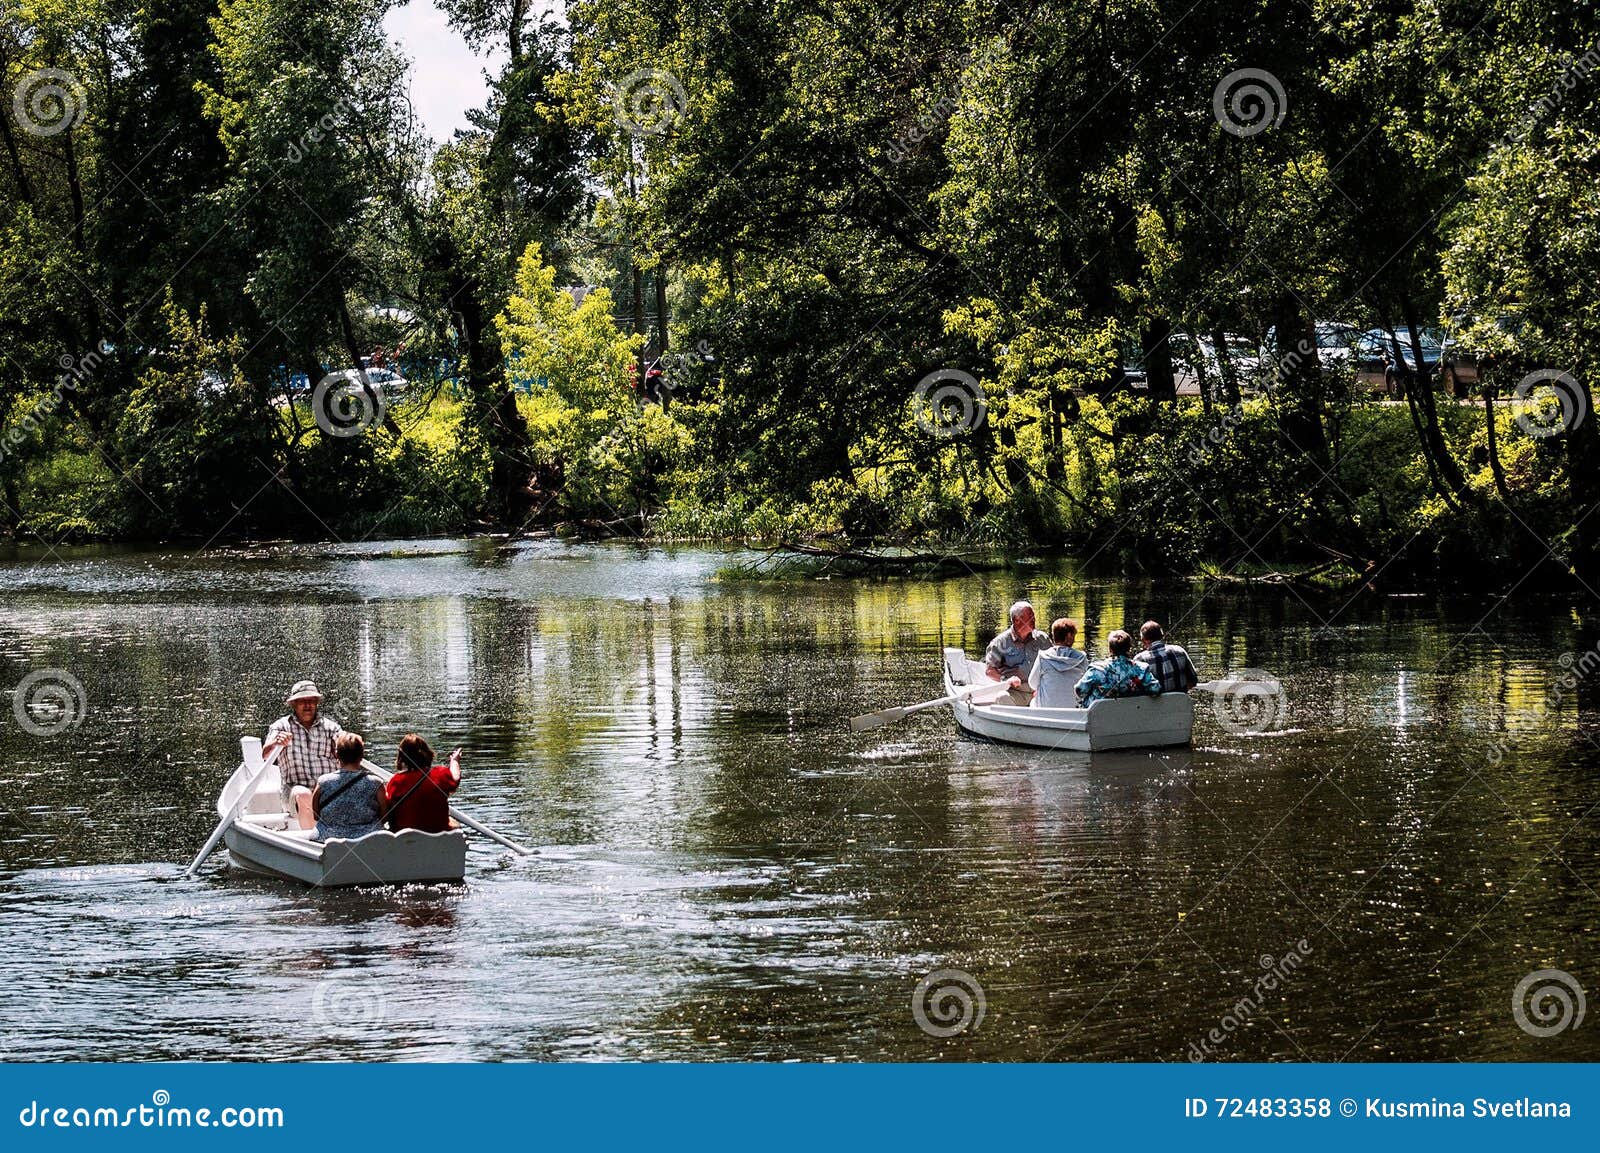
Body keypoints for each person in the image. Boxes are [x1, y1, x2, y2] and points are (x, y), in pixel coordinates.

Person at [263, 680, 342, 830]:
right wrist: (275, 743)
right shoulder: (281, 726)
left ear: (317, 703)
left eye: (311, 700)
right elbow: (265, 755)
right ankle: (312, 839)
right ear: (293, 704)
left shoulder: (331, 727)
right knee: (304, 794)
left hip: (326, 792)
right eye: (302, 701)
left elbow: (348, 751)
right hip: (294, 793)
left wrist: (342, 745)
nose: (307, 705)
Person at [311, 732, 387, 841]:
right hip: (368, 839)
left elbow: (316, 815)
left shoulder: (323, 782)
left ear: (337, 754)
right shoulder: (376, 783)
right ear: (361, 755)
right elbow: (384, 816)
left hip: (328, 838)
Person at [384, 734, 462, 834]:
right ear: (427, 753)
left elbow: (389, 808)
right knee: (455, 824)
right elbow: (456, 777)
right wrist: (454, 761)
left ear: (402, 758)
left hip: (406, 836)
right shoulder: (440, 774)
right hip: (438, 835)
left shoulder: (396, 781)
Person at [985, 600, 1052, 704]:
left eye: (1033, 616)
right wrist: (1005, 680)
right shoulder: (1000, 643)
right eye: (1030, 616)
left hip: (1040, 691)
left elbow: (1053, 663)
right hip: (1016, 692)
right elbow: (989, 671)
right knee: (1002, 697)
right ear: (1017, 620)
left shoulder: (1042, 639)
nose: (1034, 619)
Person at [1076, 629, 1162, 705]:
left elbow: (1080, 691)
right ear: (1129, 648)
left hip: (1099, 714)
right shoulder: (1141, 669)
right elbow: (1155, 689)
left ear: (1110, 649)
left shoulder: (1096, 670)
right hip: (1132, 713)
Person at [1028, 618, 1088, 708]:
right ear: (1069, 636)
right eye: (1074, 635)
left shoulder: (1043, 657)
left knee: (1033, 700)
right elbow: (1087, 684)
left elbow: (1032, 683)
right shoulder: (1082, 658)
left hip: (1047, 711)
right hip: (1074, 711)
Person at [1133, 619, 1199, 693]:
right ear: (1162, 635)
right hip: (1180, 699)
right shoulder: (1180, 651)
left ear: (1144, 640)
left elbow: (1135, 689)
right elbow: (1193, 680)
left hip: (1154, 700)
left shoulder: (1139, 659)